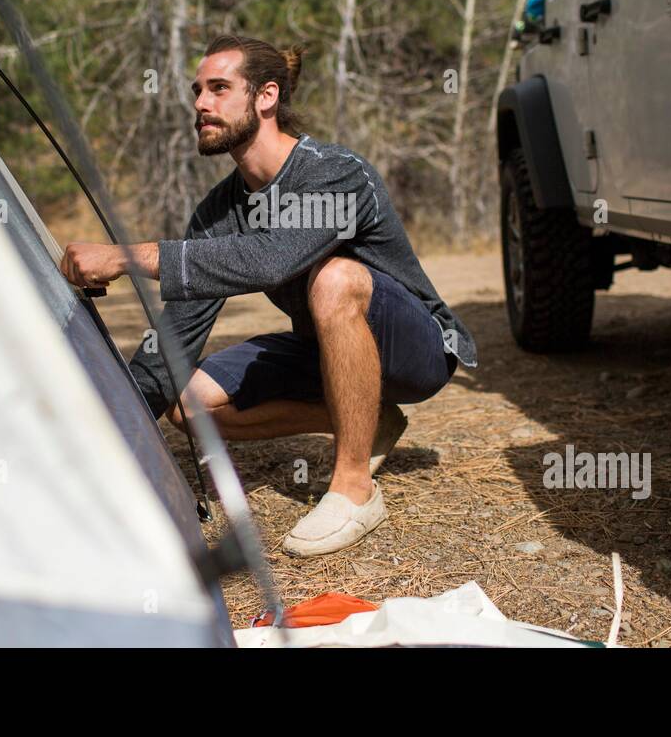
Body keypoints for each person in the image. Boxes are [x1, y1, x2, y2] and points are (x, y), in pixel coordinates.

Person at [60, 35, 476, 556]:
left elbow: (271, 258)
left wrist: (125, 257)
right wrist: (108, 428)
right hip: (326, 352)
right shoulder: (218, 210)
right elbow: (178, 334)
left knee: (335, 278)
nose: (200, 105)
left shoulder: (334, 172)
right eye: (197, 91)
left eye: (218, 88)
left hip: (415, 353)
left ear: (266, 96)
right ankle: (367, 422)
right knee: (189, 404)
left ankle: (354, 489)